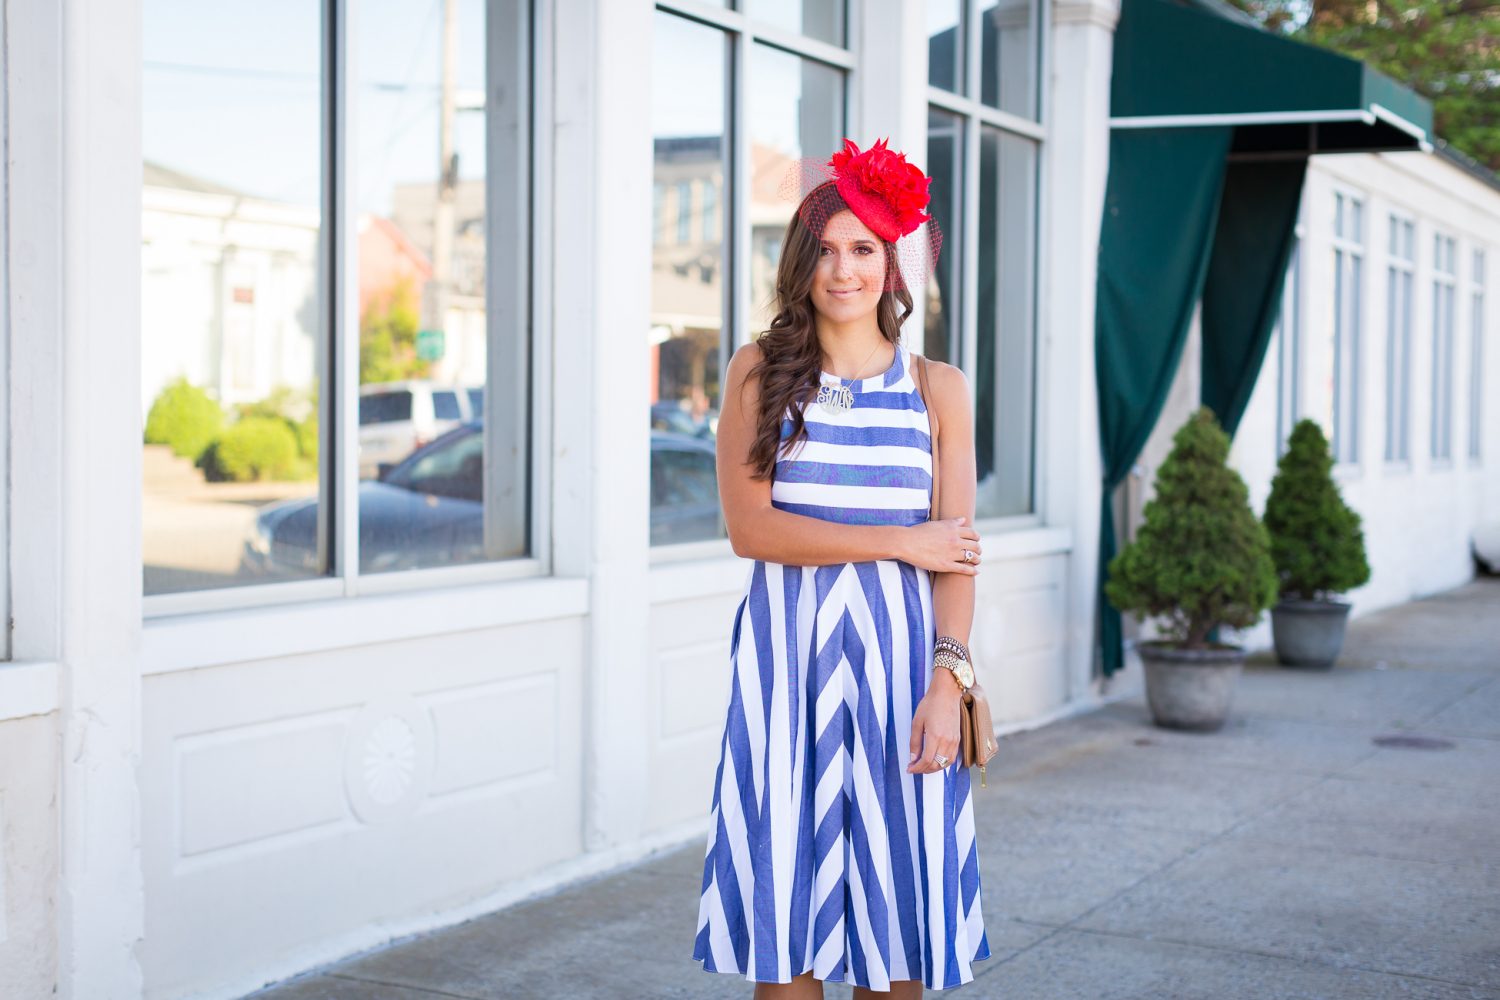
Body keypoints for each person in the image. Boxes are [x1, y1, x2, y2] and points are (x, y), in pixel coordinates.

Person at [691, 138, 992, 997]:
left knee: (896, 941)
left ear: (893, 264)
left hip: (905, 682)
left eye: (863, 248)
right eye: (825, 249)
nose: (843, 269)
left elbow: (958, 554)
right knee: (787, 939)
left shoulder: (938, 388)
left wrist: (950, 678)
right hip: (786, 682)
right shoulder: (760, 372)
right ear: (800, 260)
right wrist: (899, 539)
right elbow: (753, 531)